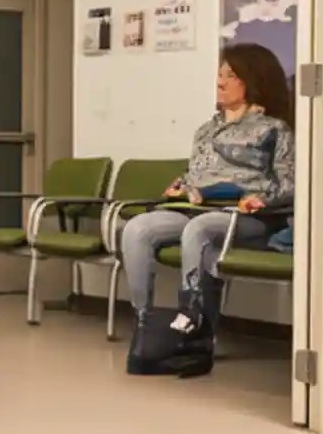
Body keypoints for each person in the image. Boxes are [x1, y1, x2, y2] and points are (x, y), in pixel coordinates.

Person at [119, 42, 295, 367]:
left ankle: (194, 326)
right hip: (197, 208)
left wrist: (262, 198)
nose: (220, 82)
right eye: (219, 74)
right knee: (137, 228)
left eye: (230, 75)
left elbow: (289, 184)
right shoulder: (206, 130)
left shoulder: (274, 129)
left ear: (252, 80)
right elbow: (196, 173)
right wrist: (181, 185)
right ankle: (146, 326)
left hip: (246, 216)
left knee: (198, 230)